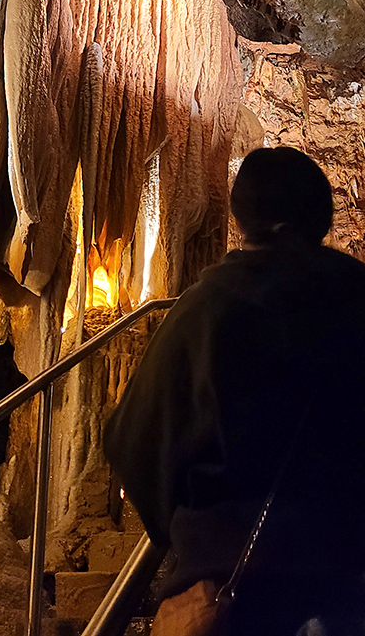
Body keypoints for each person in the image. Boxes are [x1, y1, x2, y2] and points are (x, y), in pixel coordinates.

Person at [104, 146, 365, 636]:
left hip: (235, 575)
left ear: (243, 216)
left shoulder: (205, 310)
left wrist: (181, 531)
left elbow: (134, 438)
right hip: (347, 569)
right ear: (320, 214)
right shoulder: (357, 301)